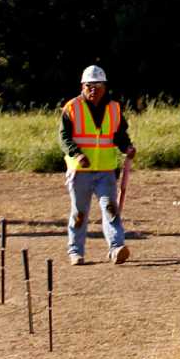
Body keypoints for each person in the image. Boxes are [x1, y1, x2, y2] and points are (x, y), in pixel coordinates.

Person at [59, 65, 134, 266]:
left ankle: (116, 248)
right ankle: (75, 251)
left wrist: (127, 147)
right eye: (89, 85)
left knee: (111, 209)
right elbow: (64, 138)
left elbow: (119, 134)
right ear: (82, 86)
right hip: (80, 171)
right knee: (80, 213)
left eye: (98, 85)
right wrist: (77, 154)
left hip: (106, 170)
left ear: (105, 87)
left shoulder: (114, 108)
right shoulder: (71, 108)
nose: (93, 89)